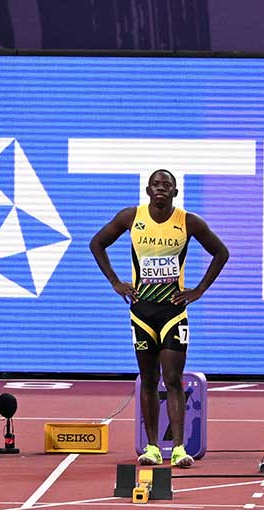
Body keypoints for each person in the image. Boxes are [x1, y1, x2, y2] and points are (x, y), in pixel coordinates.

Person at [90, 169, 229, 468]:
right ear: (148, 190)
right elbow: (97, 244)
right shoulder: (131, 217)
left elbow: (221, 252)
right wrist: (115, 282)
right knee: (149, 380)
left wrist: (199, 290)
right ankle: (152, 447)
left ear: (175, 192)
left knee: (174, 380)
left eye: (167, 185)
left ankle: (179, 448)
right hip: (141, 313)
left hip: (173, 312)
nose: (161, 188)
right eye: (156, 184)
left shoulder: (188, 222)